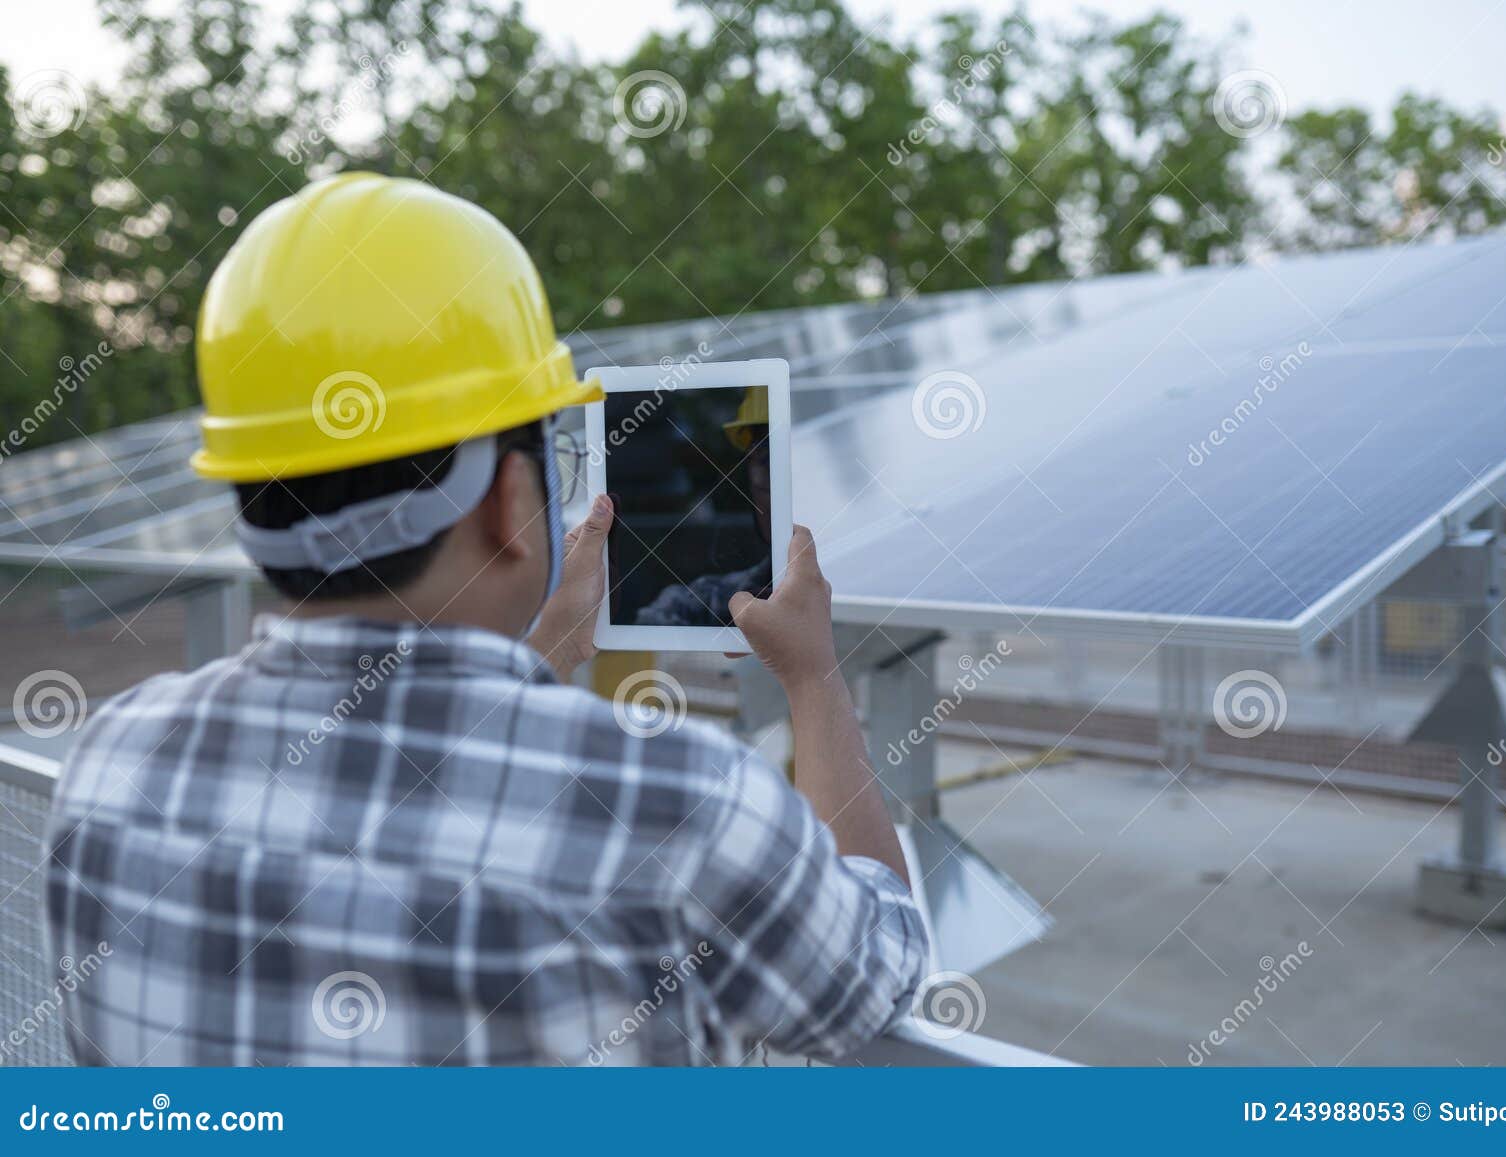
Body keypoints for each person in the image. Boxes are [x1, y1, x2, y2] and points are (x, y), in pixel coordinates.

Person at [44, 174, 927, 1066]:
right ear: (509, 498)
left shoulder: (114, 765)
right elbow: (875, 973)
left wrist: (542, 656)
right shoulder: (679, 805)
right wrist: (813, 676)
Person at [637, 386, 773, 627]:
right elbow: (658, 618)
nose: (767, 477)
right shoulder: (702, 603)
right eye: (762, 458)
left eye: (775, 457)